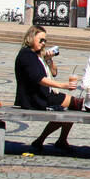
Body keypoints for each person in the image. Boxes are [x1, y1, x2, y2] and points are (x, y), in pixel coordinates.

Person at [14, 25, 78, 153]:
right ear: (31, 38)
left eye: (45, 41)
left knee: (75, 105)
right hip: (34, 98)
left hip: (43, 94)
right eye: (41, 40)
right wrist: (63, 85)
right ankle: (52, 140)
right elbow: (39, 79)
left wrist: (49, 60)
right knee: (75, 104)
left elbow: (53, 73)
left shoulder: (37, 55)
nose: (43, 44)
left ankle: (52, 140)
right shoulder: (26, 55)